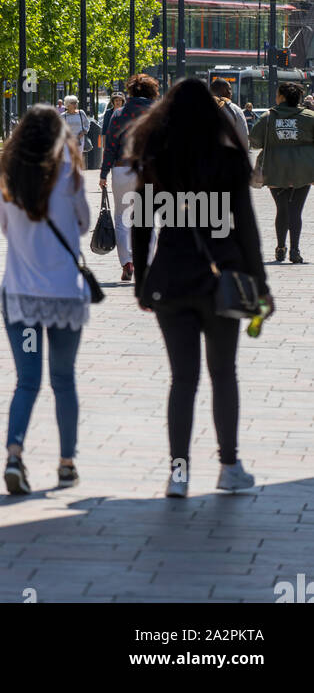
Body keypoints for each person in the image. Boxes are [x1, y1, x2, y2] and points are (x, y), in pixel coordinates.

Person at [129, 79, 272, 497]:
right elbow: (246, 230)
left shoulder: (156, 157)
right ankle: (229, 466)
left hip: (171, 279)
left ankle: (178, 473)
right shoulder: (228, 160)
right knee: (223, 374)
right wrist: (260, 285)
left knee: (182, 379)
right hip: (221, 278)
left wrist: (142, 283)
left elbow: (140, 224)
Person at [0, 105, 91, 495]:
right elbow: (83, 223)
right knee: (63, 380)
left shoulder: (6, 178)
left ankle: (15, 454)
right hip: (64, 296)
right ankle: (67, 463)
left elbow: (4, 229)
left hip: (21, 297)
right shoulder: (70, 176)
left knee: (27, 381)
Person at [100, 73, 160, 283]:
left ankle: (127, 263)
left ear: (131, 91)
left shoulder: (119, 114)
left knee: (122, 218)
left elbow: (111, 147)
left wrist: (103, 173)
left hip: (122, 169)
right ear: (152, 91)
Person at [249, 82, 314, 264]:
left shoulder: (268, 117)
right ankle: (295, 250)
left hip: (275, 169)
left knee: (282, 209)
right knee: (296, 210)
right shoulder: (309, 116)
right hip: (303, 169)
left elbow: (254, 141)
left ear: (282, 97)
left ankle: (280, 248)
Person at [210, 78, 249, 149]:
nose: (231, 92)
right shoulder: (235, 110)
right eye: (230, 89)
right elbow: (244, 140)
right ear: (226, 91)